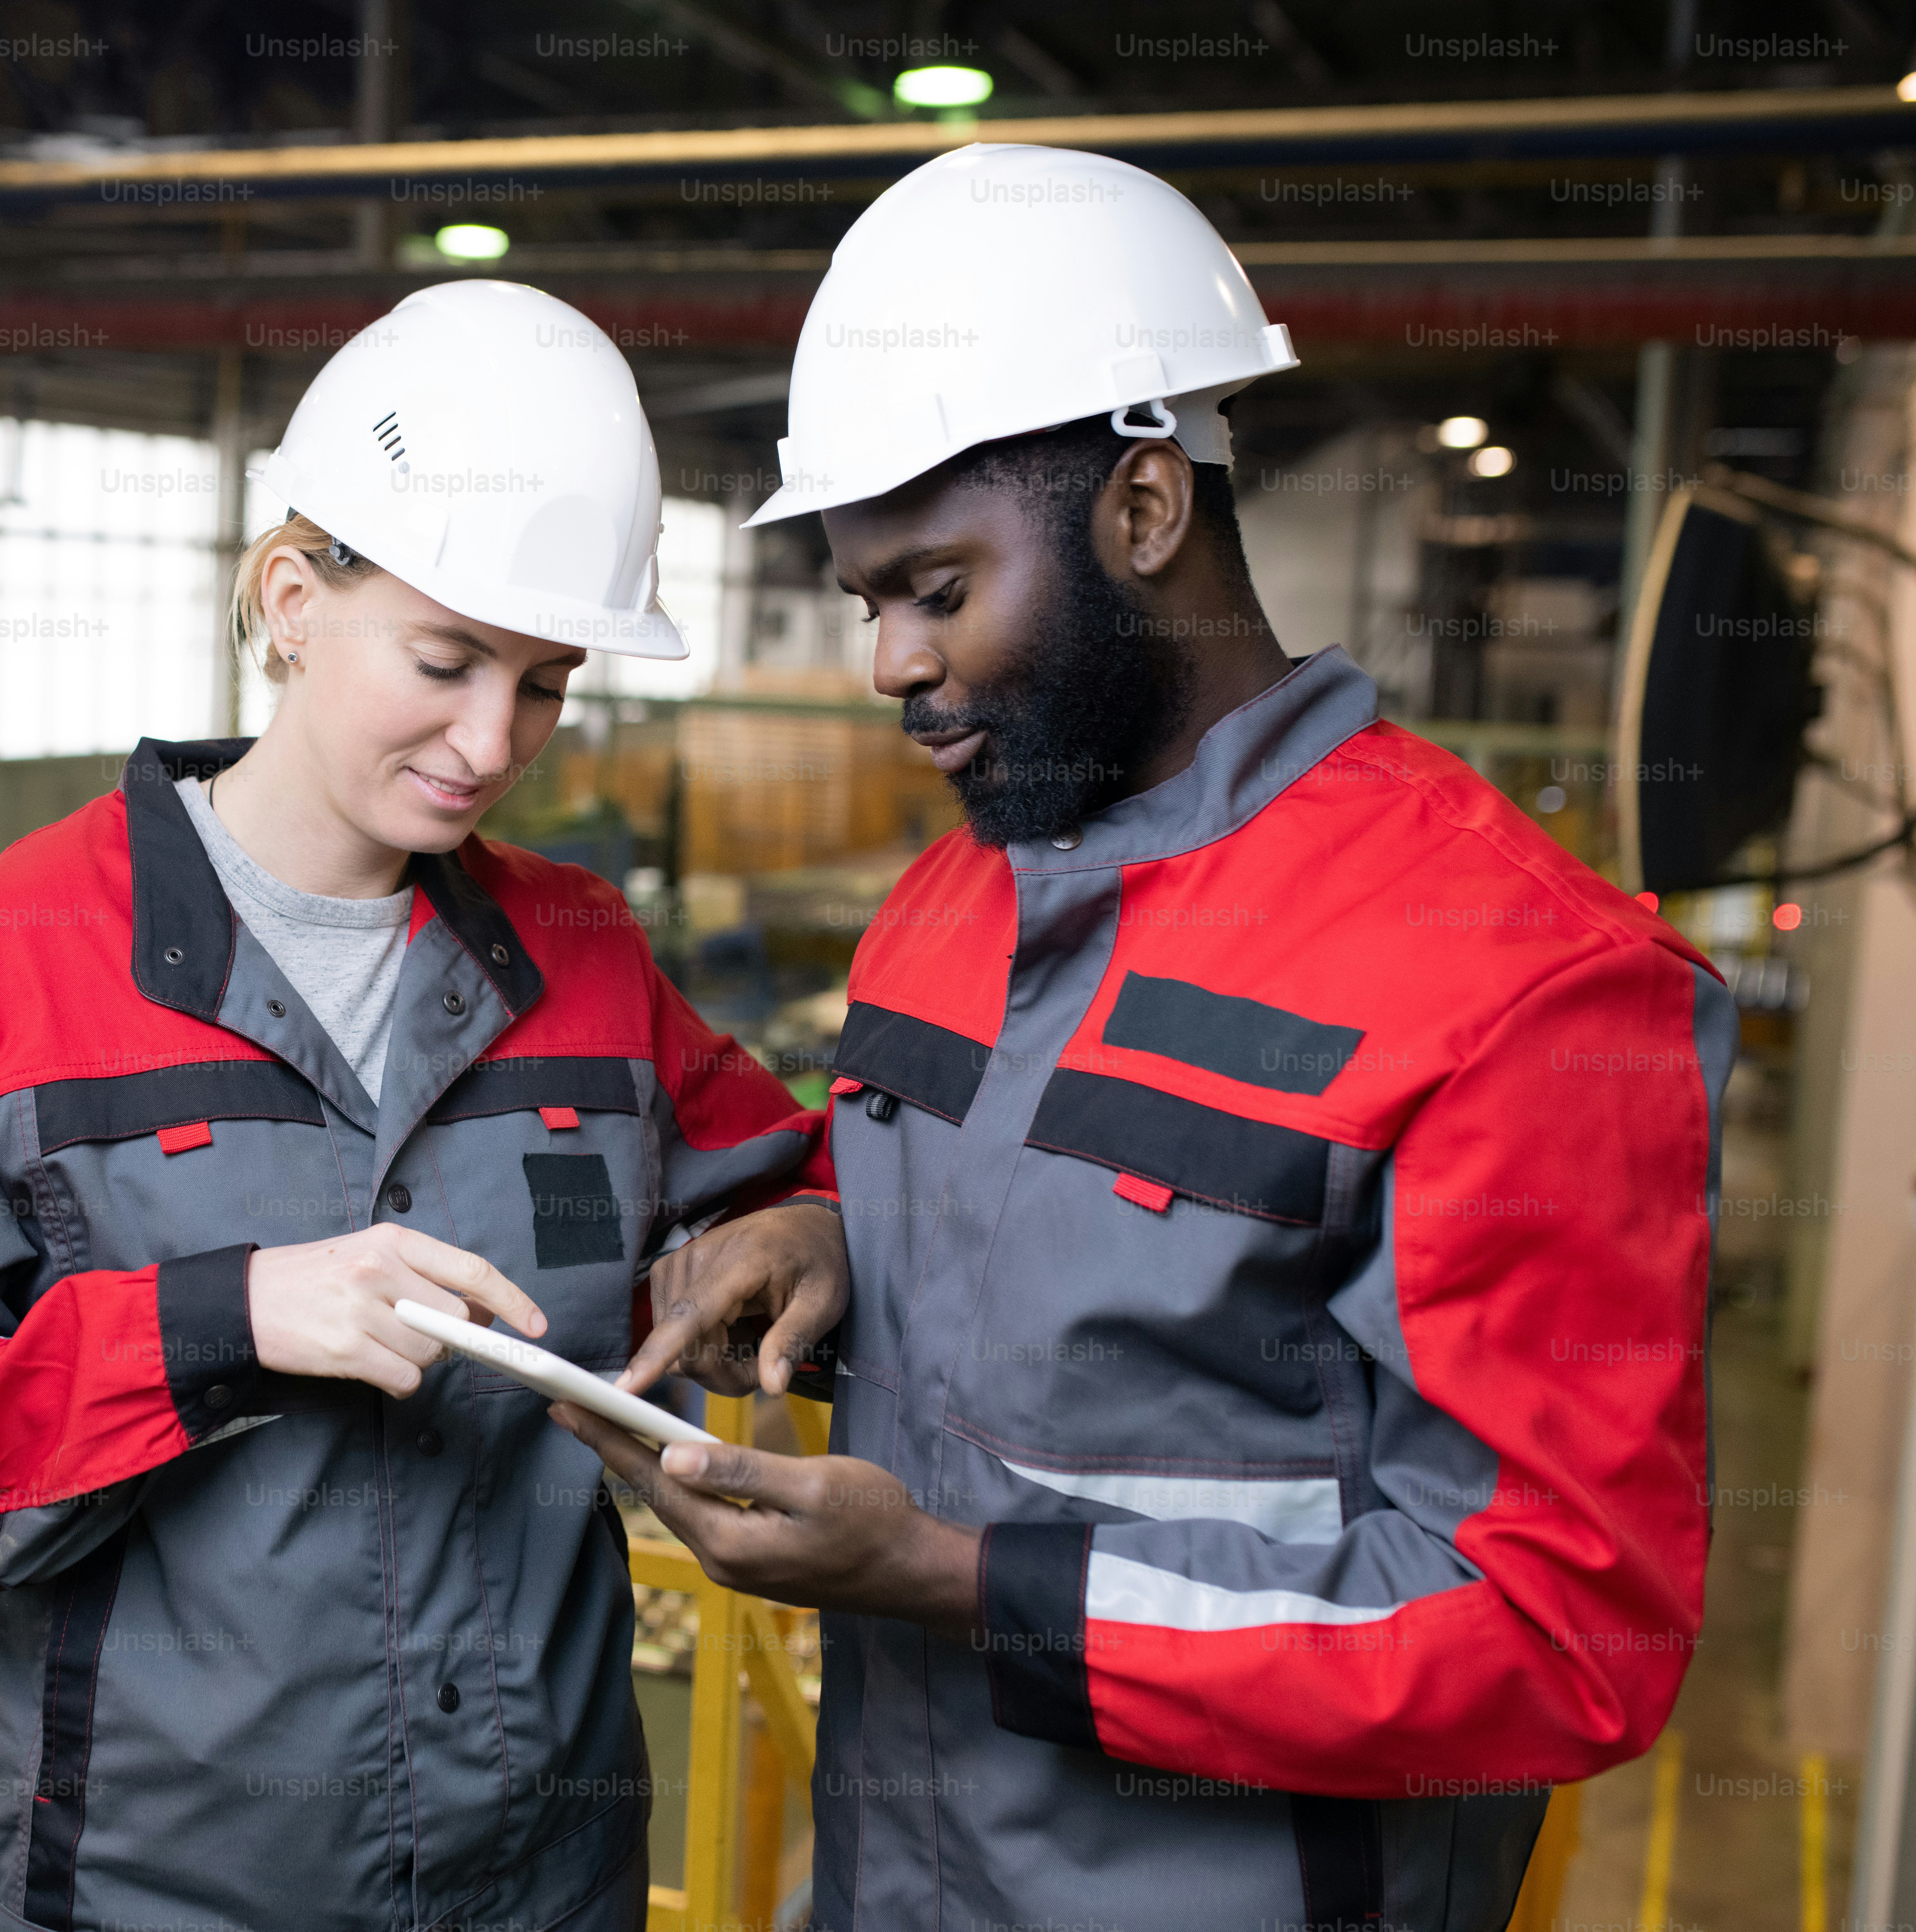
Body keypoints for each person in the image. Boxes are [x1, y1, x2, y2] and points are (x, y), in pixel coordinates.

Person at [562, 144, 1730, 1932]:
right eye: (871, 598)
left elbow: (1555, 1630)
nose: (888, 662)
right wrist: (821, 1235)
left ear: (1145, 510)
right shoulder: (953, 907)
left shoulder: (1517, 980)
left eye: (938, 590)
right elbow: (1040, 1264)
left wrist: (962, 1578)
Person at [0, 278, 834, 1932]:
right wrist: (219, 1318)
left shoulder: (586, 952)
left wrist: (802, 1230)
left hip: (551, 1878)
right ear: (289, 596)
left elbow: (794, 1180)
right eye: (446, 658)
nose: (493, 743)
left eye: (542, 682)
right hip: (174, 1889)